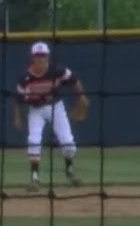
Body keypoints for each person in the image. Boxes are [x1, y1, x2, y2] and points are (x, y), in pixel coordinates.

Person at [14, 41, 90, 192]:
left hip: (56, 107)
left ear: (47, 56)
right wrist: (16, 118)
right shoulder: (25, 78)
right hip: (35, 110)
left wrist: (81, 96)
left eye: (43, 55)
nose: (40, 59)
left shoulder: (57, 72)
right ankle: (34, 178)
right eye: (37, 56)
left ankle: (69, 170)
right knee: (34, 140)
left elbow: (74, 80)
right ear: (32, 57)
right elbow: (17, 99)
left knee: (68, 142)